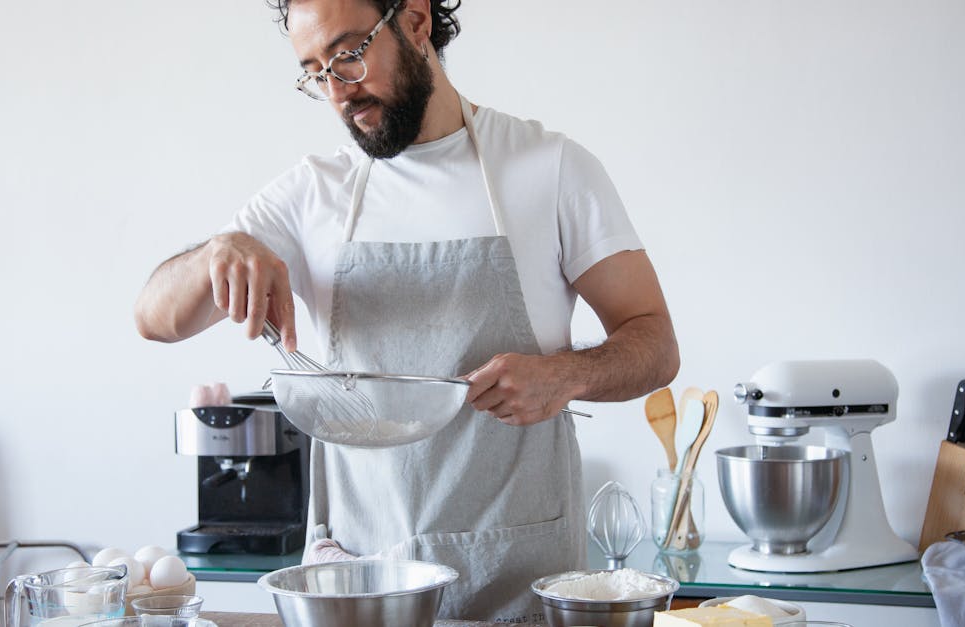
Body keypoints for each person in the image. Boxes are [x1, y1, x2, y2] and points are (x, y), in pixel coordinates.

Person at [134, 0, 679, 621]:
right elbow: (155, 318)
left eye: (348, 55)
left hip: (521, 585)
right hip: (365, 590)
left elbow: (656, 344)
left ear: (416, 21)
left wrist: (568, 374)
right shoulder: (313, 193)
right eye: (315, 72)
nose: (338, 91)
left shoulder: (549, 168)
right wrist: (217, 251)